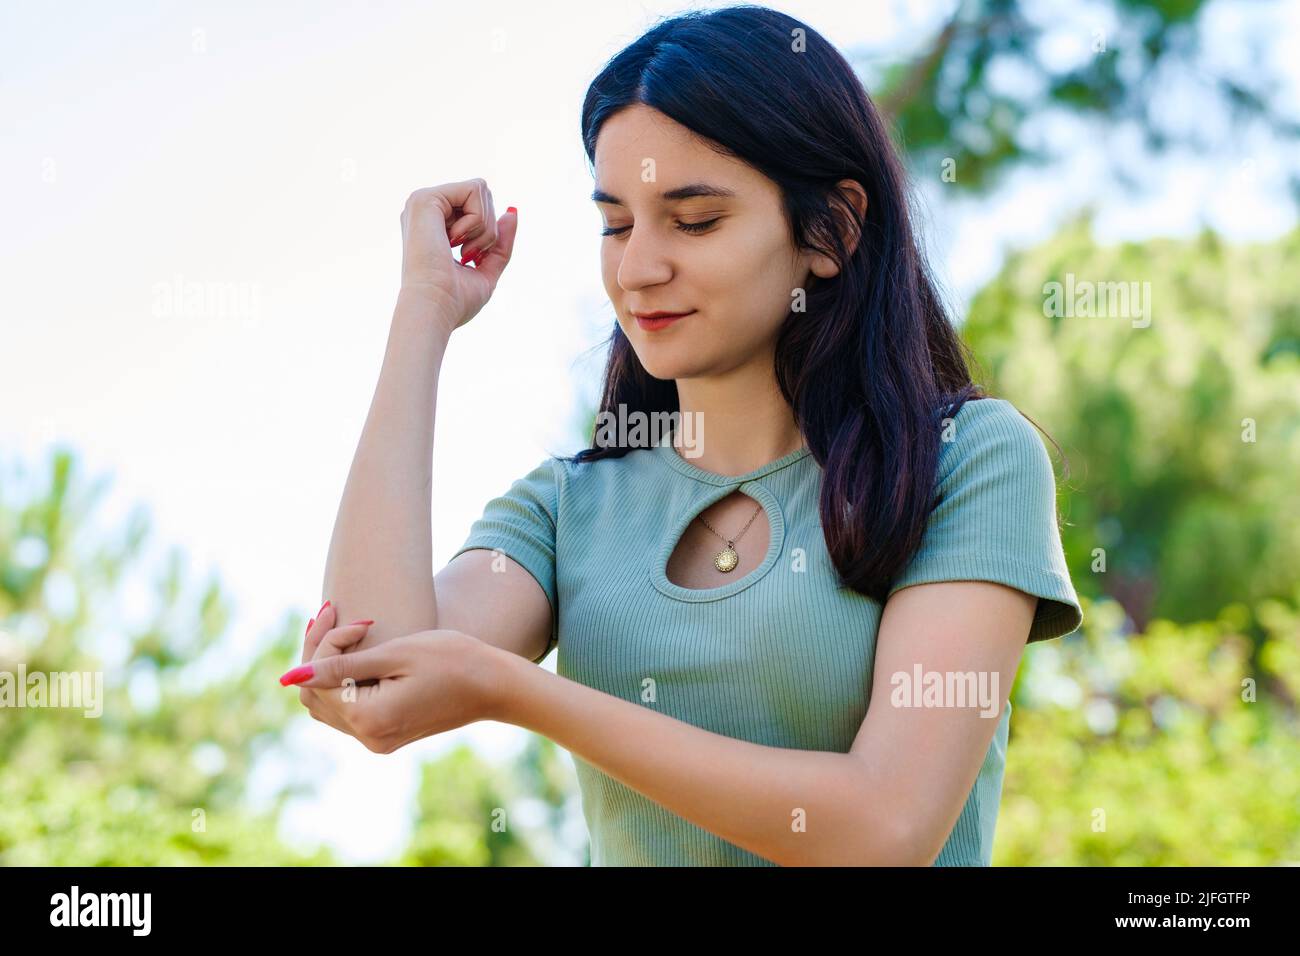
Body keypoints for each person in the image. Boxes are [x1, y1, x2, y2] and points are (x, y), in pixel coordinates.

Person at [286, 4, 1083, 867]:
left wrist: (516, 690)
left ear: (831, 230)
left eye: (694, 220)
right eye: (617, 223)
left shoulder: (968, 464)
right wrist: (425, 309)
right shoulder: (569, 508)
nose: (638, 269)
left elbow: (883, 829)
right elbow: (371, 673)